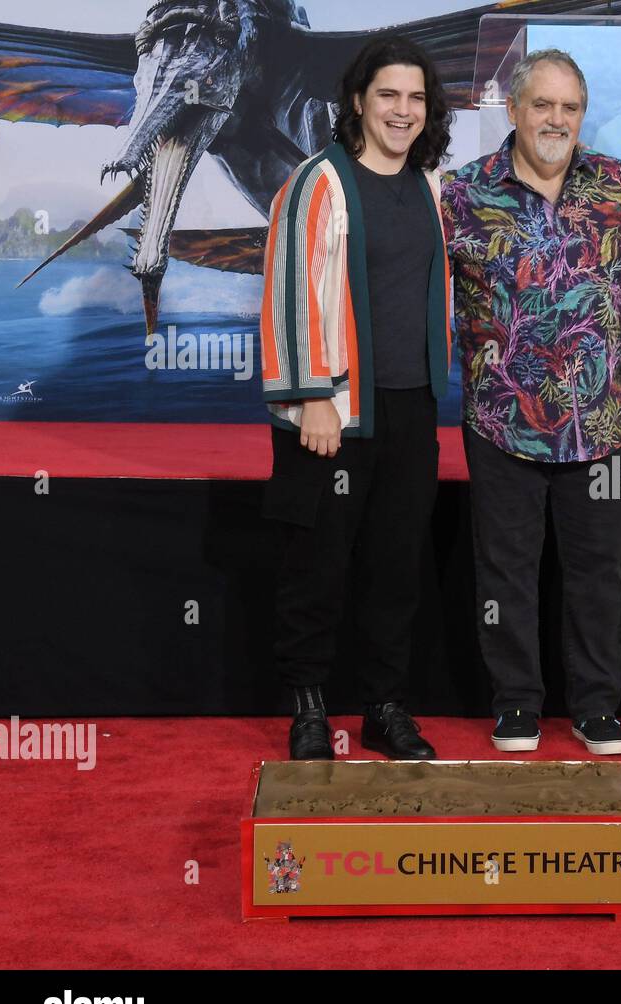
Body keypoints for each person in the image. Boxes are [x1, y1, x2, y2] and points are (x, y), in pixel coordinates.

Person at [259, 36, 453, 761]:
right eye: (388, 95)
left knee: (395, 565)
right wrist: (312, 397)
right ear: (357, 102)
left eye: (415, 98)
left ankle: (383, 707)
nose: (402, 111)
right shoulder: (318, 182)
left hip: (411, 407)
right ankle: (308, 708)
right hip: (334, 410)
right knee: (317, 564)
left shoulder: (431, 184)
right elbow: (288, 291)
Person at [440, 49, 621, 754]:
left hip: (600, 422)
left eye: (570, 108)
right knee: (506, 569)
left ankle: (596, 706)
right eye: (543, 105)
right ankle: (516, 703)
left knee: (598, 574)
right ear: (515, 109)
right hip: (500, 418)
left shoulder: (620, 185)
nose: (556, 119)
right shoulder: (462, 191)